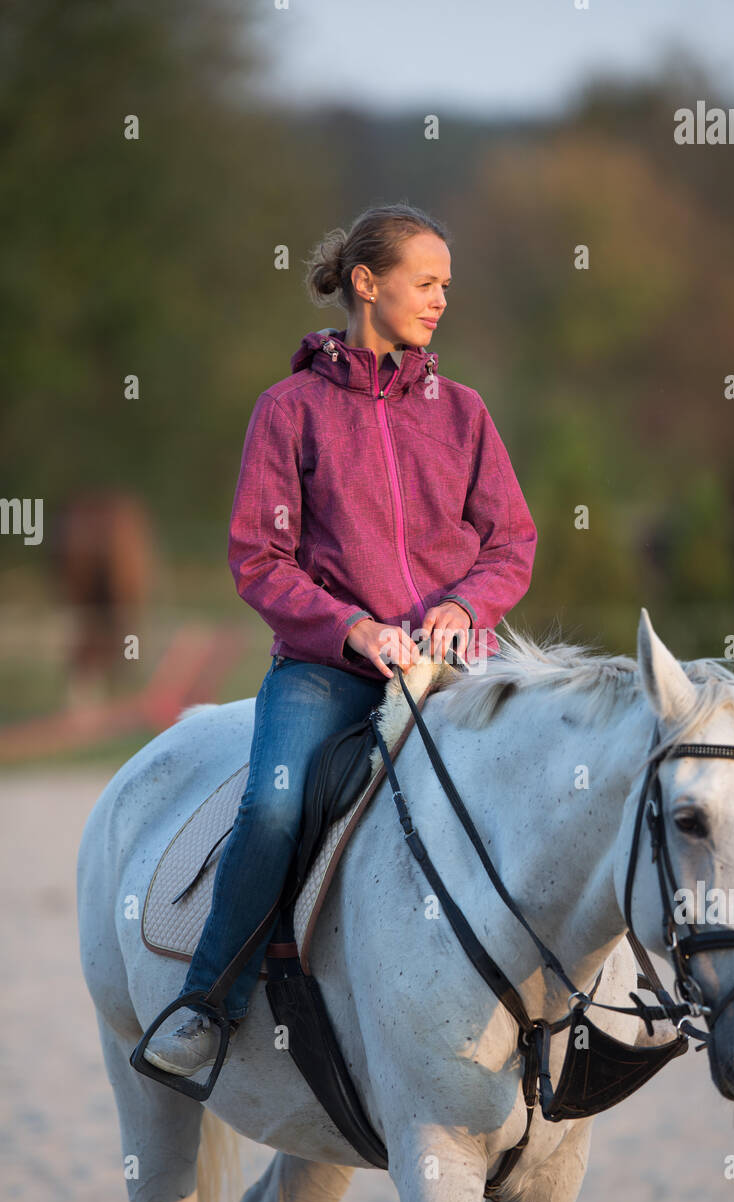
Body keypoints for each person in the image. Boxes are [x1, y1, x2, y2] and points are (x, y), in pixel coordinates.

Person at [140, 202, 537, 1076]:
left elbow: (512, 542)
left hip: (457, 667)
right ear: (367, 282)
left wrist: (466, 610)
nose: (441, 300)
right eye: (426, 282)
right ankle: (206, 1006)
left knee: (545, 781)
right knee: (276, 806)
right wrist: (353, 629)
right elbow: (258, 557)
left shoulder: (463, 413)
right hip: (326, 671)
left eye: (447, 286)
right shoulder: (289, 411)